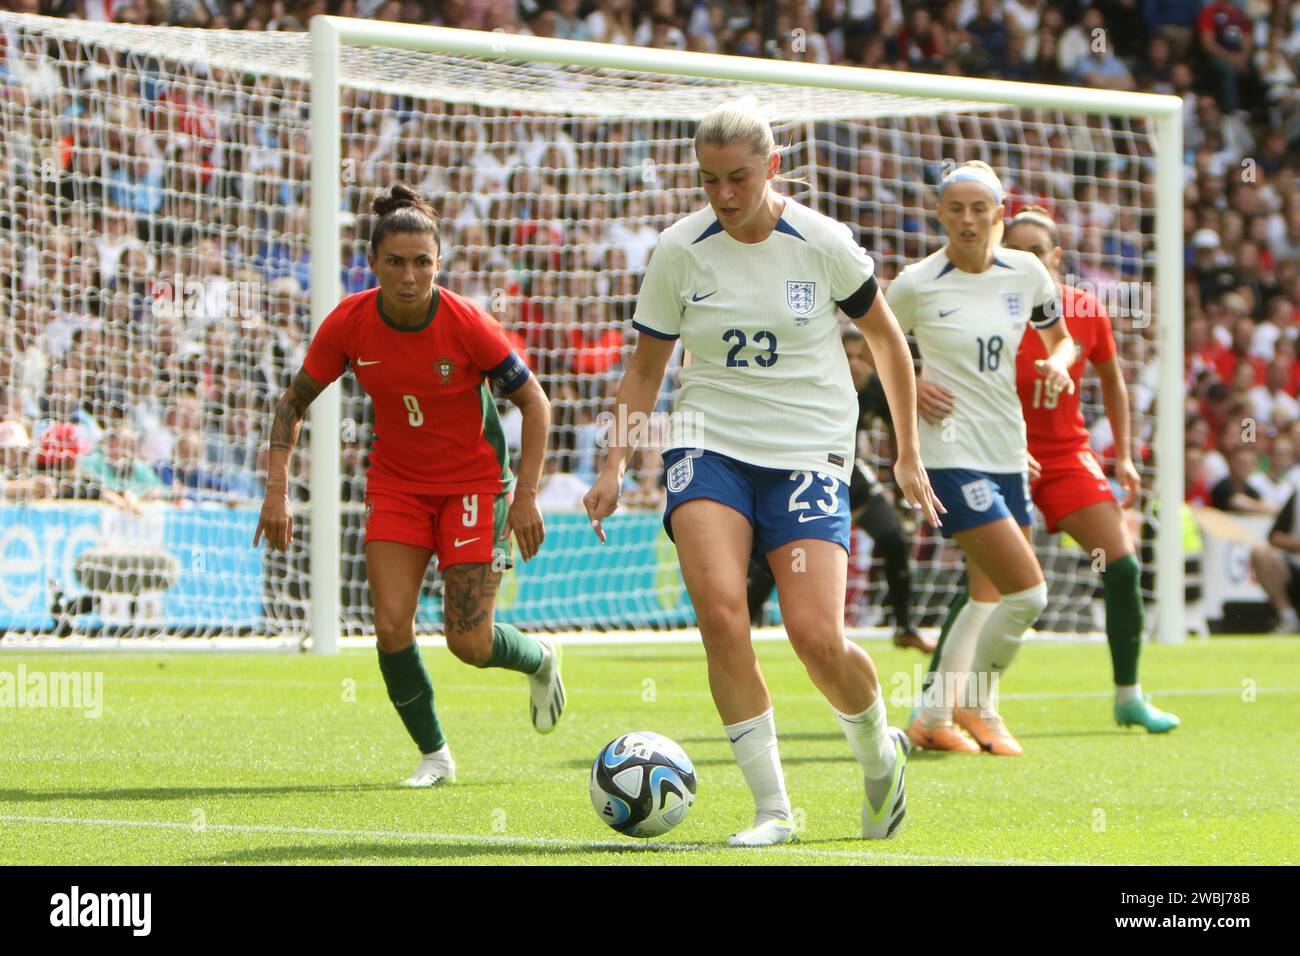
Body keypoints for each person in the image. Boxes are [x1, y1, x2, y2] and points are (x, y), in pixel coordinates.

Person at [583, 100, 943, 846]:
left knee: (816, 636)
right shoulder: (680, 250)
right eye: (708, 179)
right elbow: (647, 367)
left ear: (771, 168)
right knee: (721, 614)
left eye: (738, 177)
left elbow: (887, 340)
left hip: (809, 448)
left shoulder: (822, 242)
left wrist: (907, 452)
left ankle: (880, 761)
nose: (722, 194)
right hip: (707, 442)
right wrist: (614, 460)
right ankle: (773, 809)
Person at [253, 184, 564, 788]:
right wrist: (275, 490)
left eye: (423, 261)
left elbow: (536, 402)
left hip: (474, 484)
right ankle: (435, 756)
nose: (410, 275)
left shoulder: (468, 323)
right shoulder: (349, 321)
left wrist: (525, 495)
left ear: (438, 263)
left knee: (468, 643)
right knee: (391, 625)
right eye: (396, 261)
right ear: (372, 264)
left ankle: (539, 658)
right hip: (396, 483)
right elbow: (292, 403)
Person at [918, 205, 1180, 734]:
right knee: (988, 586)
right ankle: (938, 705)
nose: (1026, 259)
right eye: (1015, 249)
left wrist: (1123, 454)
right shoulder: (983, 313)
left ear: (1056, 257)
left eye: (1036, 250)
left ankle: (1128, 695)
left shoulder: (1084, 312)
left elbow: (1112, 380)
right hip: (996, 454)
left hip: (1063, 457)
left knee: (1122, 566)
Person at [888, 161, 1075, 757]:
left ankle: (931, 718)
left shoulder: (1025, 273)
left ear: (999, 213)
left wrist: (1059, 364)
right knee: (1030, 593)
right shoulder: (916, 283)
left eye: (980, 209)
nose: (968, 220)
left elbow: (1061, 338)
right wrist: (914, 379)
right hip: (949, 450)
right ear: (940, 214)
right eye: (956, 208)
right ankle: (978, 701)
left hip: (1005, 447)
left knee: (988, 594)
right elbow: (863, 348)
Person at [746, 325, 930, 653]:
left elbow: (895, 439)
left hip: (850, 474)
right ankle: (742, 625)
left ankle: (904, 627)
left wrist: (903, 498)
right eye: (848, 356)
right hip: (807, 471)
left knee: (892, 537)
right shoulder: (819, 386)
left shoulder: (877, 390)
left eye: (862, 356)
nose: (856, 363)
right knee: (782, 555)